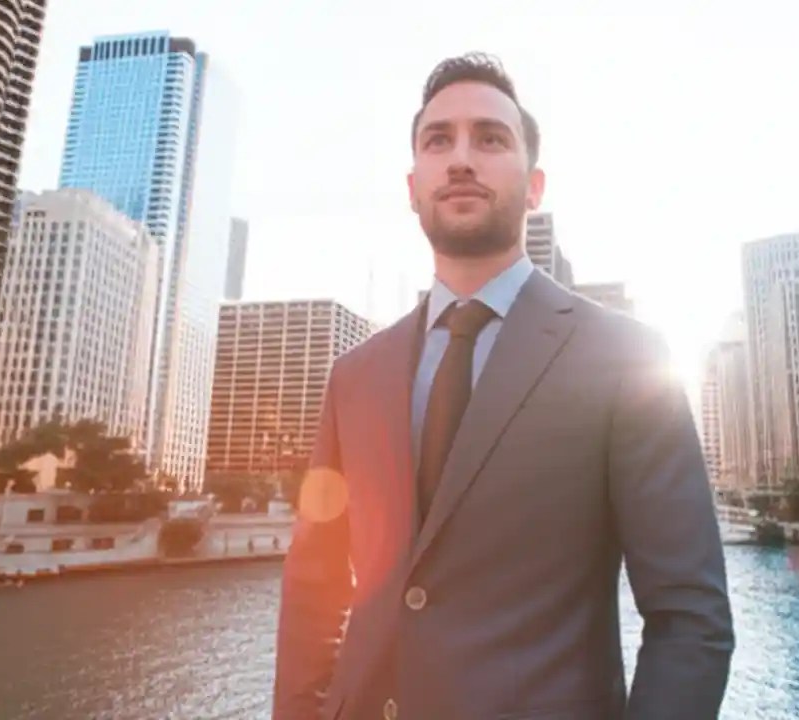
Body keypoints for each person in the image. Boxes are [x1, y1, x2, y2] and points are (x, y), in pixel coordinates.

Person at [274, 52, 734, 720]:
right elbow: (315, 587)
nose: (461, 159)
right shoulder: (355, 374)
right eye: (439, 140)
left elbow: (689, 619)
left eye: (490, 139)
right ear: (412, 186)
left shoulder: (627, 358)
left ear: (535, 184)